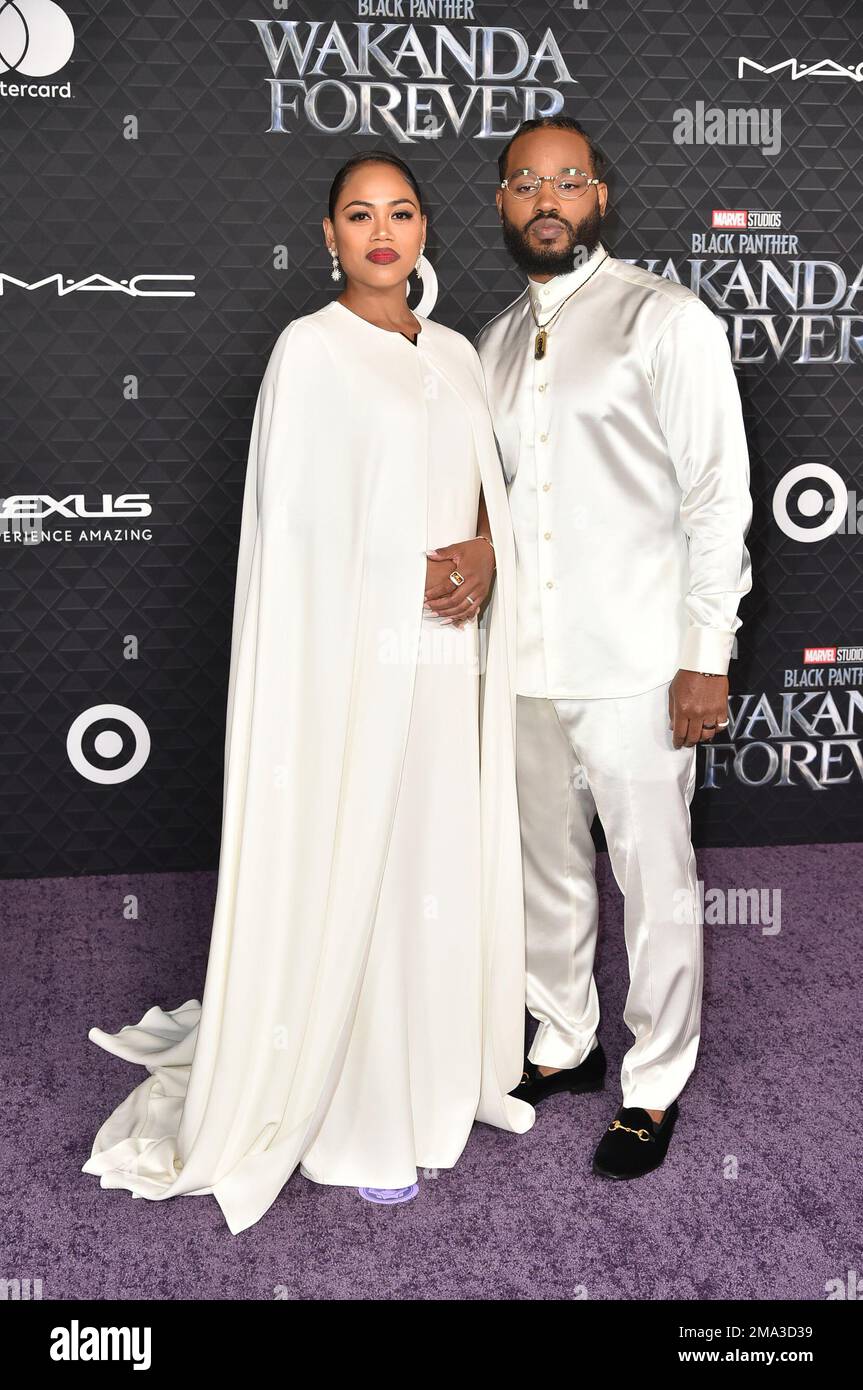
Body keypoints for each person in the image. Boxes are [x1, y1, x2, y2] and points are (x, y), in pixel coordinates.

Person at [81, 150, 535, 1236]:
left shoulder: (459, 356)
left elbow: (483, 501)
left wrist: (480, 552)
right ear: (326, 235)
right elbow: (292, 537)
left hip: (439, 665)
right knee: (357, 848)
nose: (383, 232)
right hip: (349, 663)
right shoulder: (308, 353)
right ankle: (355, 1110)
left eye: (403, 212)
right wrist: (402, 576)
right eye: (358, 215)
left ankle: (431, 1071)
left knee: (427, 847)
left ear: (428, 230)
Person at [465, 115, 753, 1179]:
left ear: (599, 197)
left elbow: (717, 494)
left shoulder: (663, 318)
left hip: (638, 660)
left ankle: (654, 1082)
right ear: (500, 203)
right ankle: (564, 1039)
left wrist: (704, 650)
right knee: (546, 868)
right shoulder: (490, 341)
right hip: (522, 664)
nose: (546, 198)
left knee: (656, 877)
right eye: (523, 182)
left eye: (566, 180)